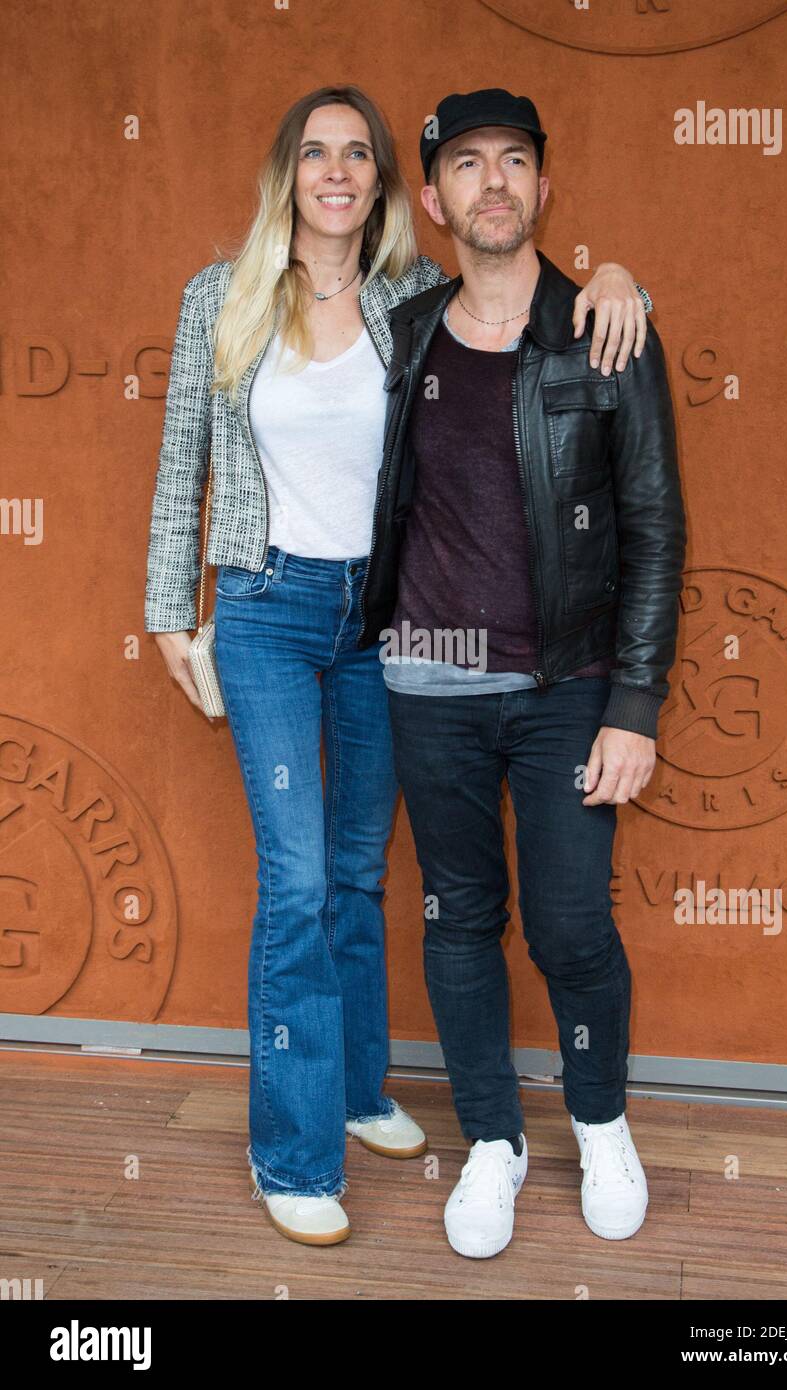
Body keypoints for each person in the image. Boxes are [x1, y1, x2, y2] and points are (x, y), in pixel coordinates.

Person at [144, 83, 653, 1247]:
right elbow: (182, 454)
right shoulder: (217, 299)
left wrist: (616, 274)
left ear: (386, 186)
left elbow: (529, 293)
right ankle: (292, 1152)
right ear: (289, 171)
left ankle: (363, 1090)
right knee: (299, 878)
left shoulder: (413, 298)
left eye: (356, 155)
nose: (335, 171)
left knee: (364, 869)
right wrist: (172, 608)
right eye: (314, 152)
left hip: (387, 619)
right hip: (269, 606)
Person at [361, 88, 686, 1258]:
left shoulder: (605, 331)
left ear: (543, 188)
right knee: (456, 924)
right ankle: (490, 1141)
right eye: (465, 165)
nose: (490, 182)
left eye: (513, 163)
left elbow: (652, 523)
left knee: (566, 928)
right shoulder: (401, 337)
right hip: (426, 689)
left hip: (566, 692)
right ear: (437, 195)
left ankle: (598, 1121)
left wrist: (634, 703)